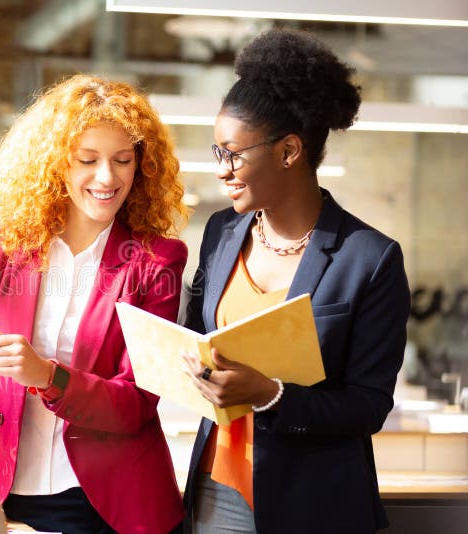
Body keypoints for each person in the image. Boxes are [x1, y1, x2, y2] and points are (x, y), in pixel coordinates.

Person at [180, 29, 410, 534]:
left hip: (311, 504)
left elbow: (368, 406)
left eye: (233, 153)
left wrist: (271, 395)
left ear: (289, 151)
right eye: (217, 152)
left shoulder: (370, 259)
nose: (221, 170)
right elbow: (195, 336)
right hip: (216, 488)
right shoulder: (220, 232)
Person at [0, 74, 188, 533]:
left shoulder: (157, 261)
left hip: (102, 503)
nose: (107, 177)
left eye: (122, 160)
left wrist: (48, 376)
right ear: (57, 163)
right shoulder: (0, 239)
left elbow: (136, 403)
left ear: (141, 165)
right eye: (87, 160)